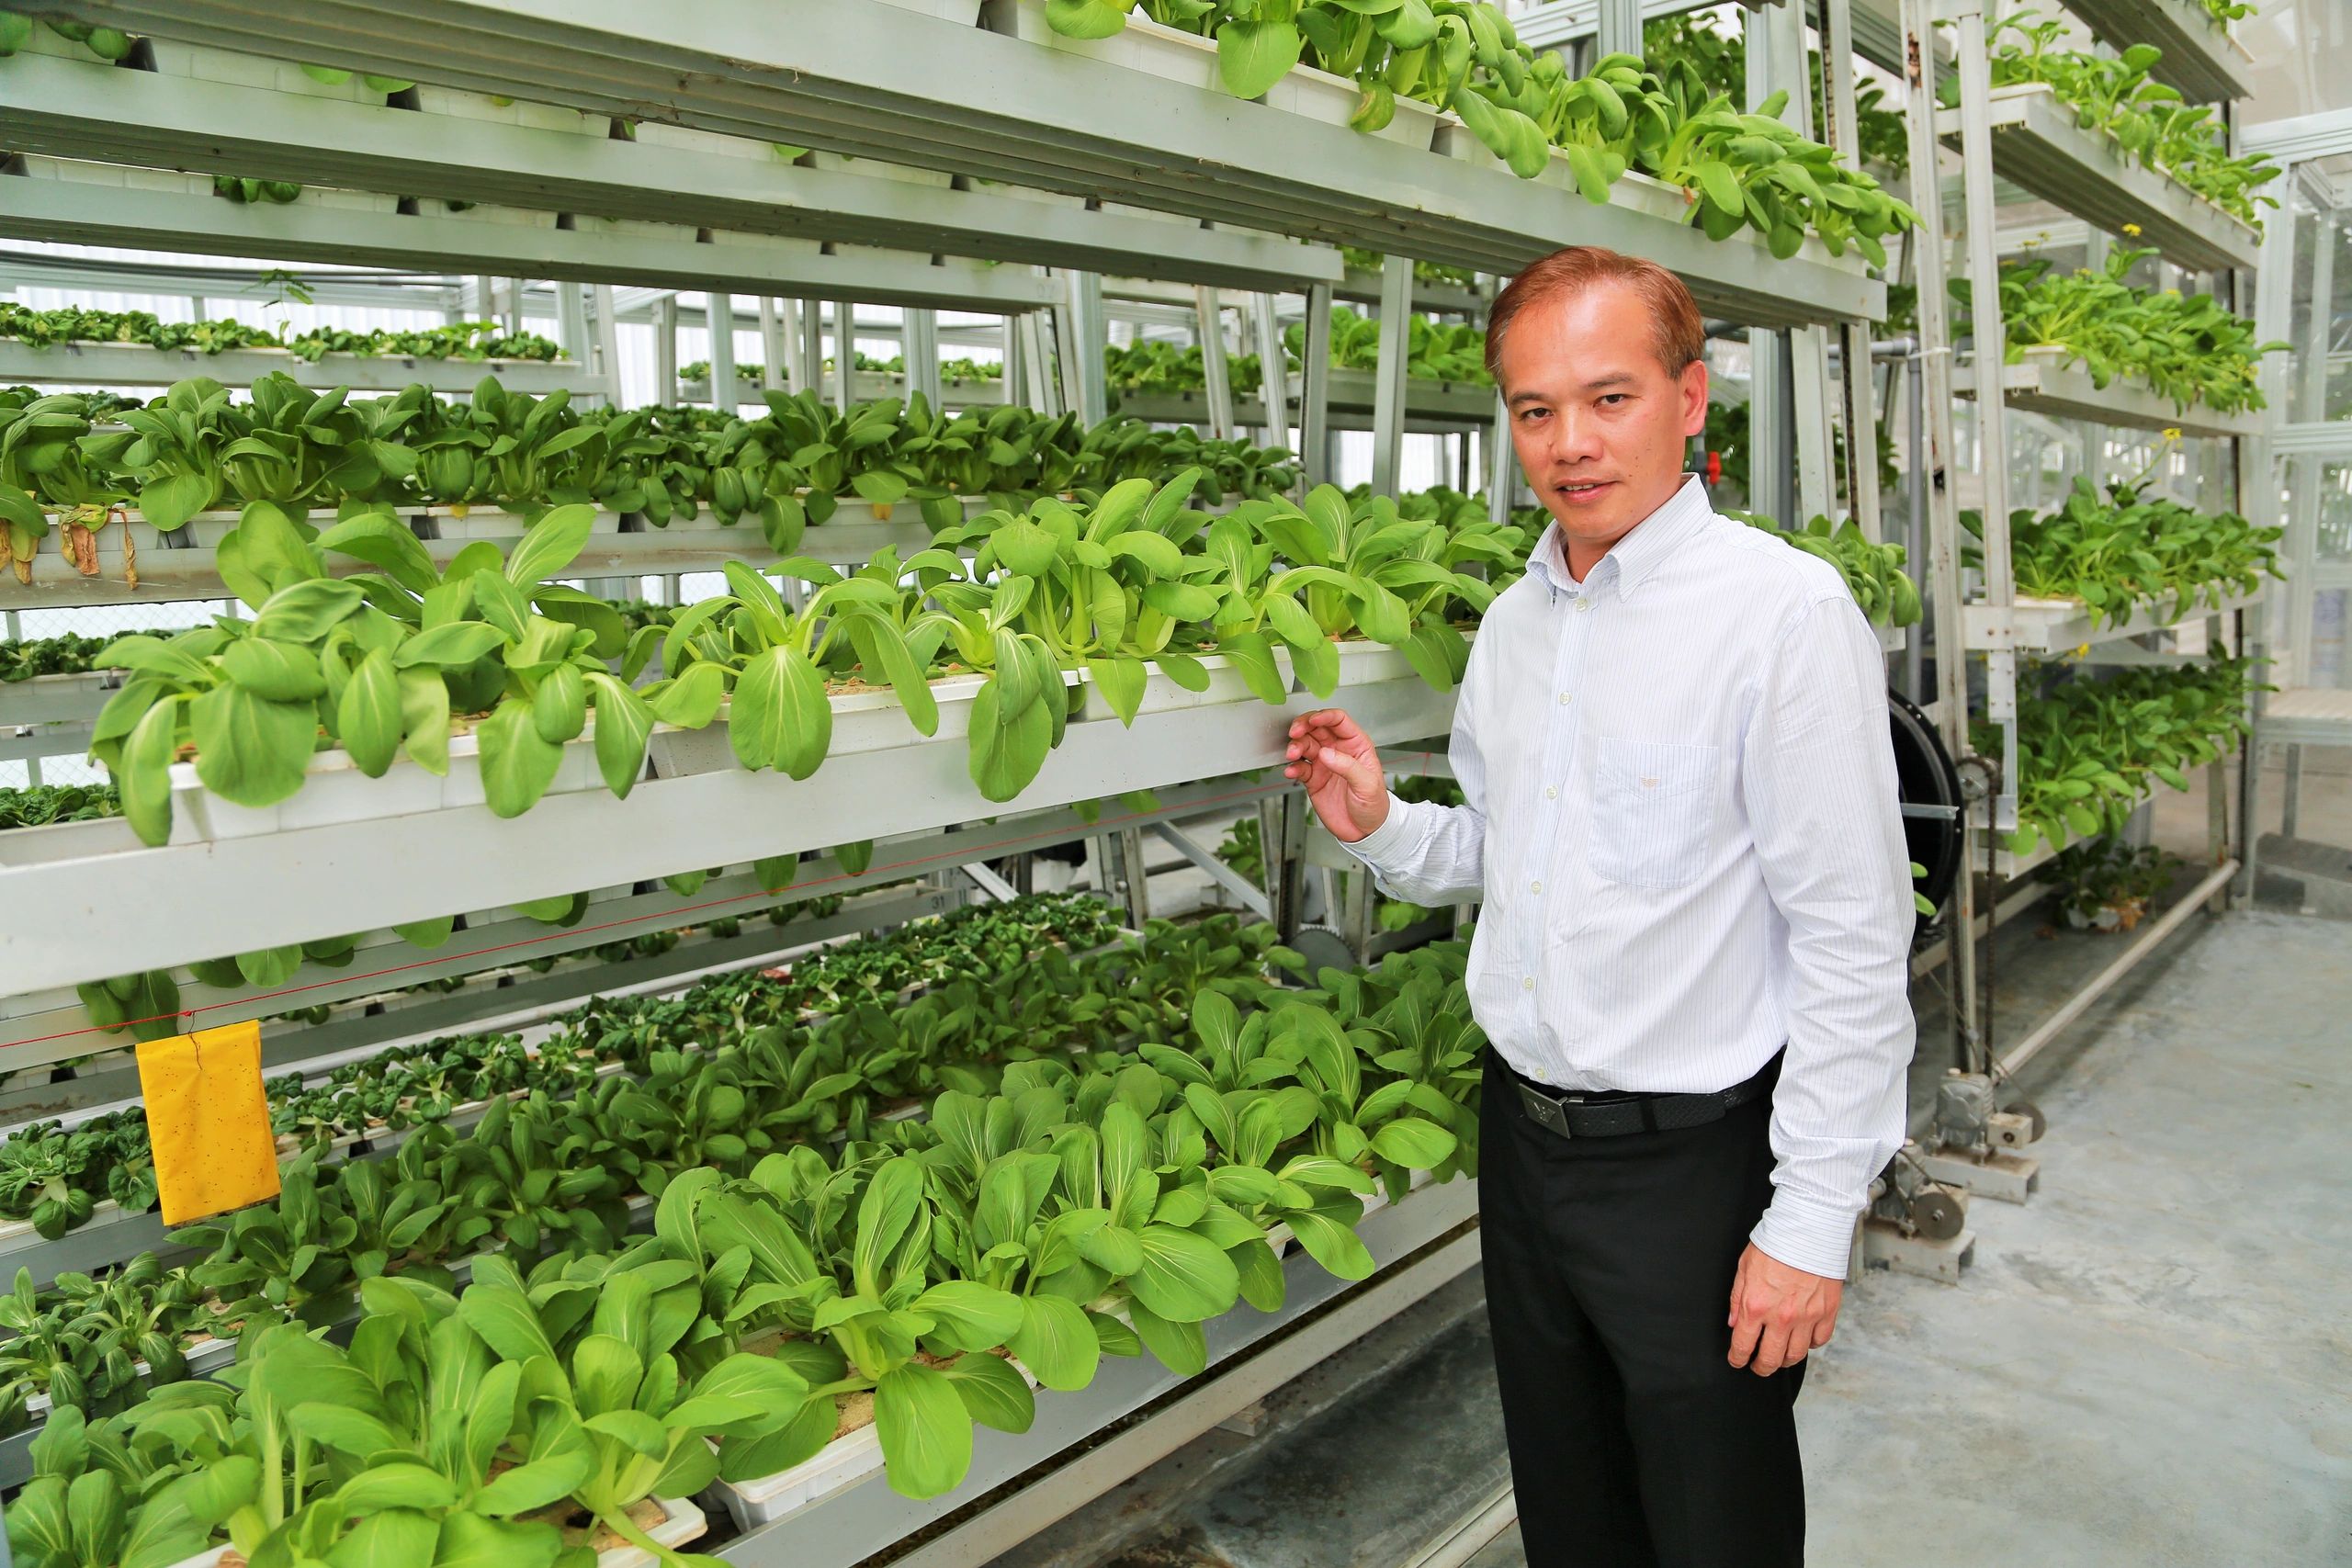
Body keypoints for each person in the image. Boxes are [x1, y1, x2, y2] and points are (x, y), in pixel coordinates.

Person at [1283, 246, 1913, 1568]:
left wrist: (1808, 1221)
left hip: (1691, 1168)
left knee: (1711, 1527)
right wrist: (1381, 823)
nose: (1570, 444)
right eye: (1533, 409)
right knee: (1571, 1515)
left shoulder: (1781, 616)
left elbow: (1854, 941)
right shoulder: (1519, 624)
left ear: (1692, 401)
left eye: (1610, 398)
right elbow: (1522, 857)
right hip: (1525, 1148)